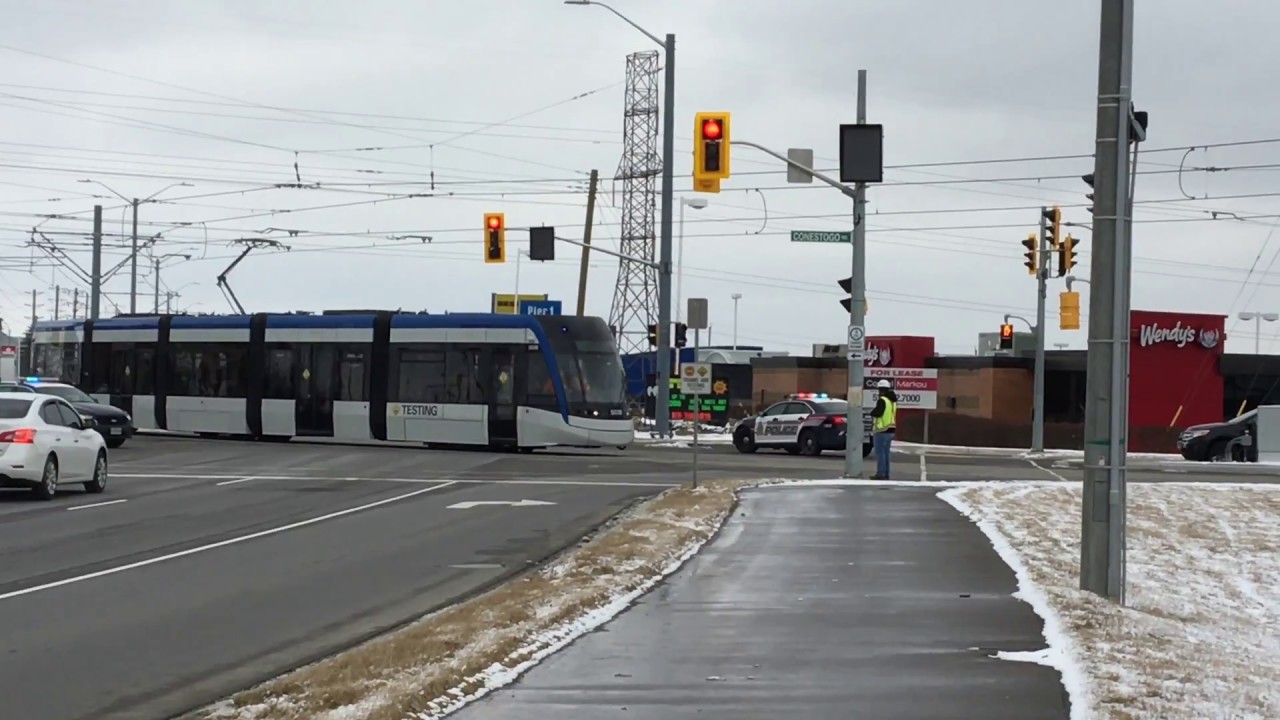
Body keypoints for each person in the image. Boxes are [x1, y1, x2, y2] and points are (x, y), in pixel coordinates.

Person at [869, 379, 897, 479]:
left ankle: (881, 474)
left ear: (880, 389)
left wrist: (871, 412)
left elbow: (878, 413)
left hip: (882, 430)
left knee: (880, 453)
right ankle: (886, 473)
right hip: (891, 429)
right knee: (886, 453)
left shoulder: (882, 400)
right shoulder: (892, 401)